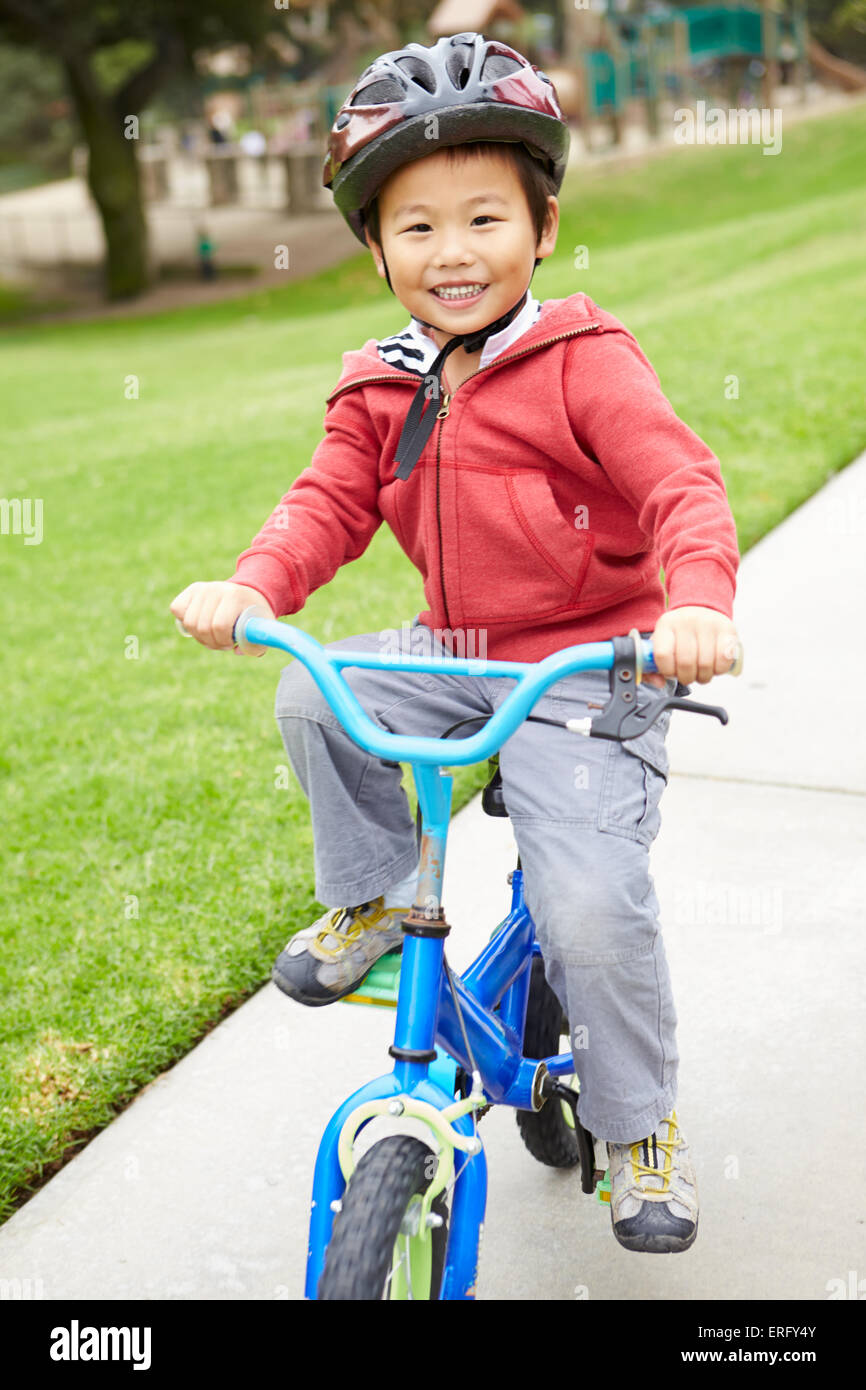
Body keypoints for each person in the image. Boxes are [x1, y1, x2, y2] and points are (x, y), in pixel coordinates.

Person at [170, 33, 742, 1257]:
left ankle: (638, 1127)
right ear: (375, 250)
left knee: (588, 904)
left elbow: (679, 488)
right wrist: (252, 586)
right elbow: (324, 502)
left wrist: (694, 603)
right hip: (456, 645)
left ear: (540, 227)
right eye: (414, 229)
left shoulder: (582, 361)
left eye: (482, 218)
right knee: (318, 697)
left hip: (590, 668)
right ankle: (373, 901)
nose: (451, 253)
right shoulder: (379, 383)